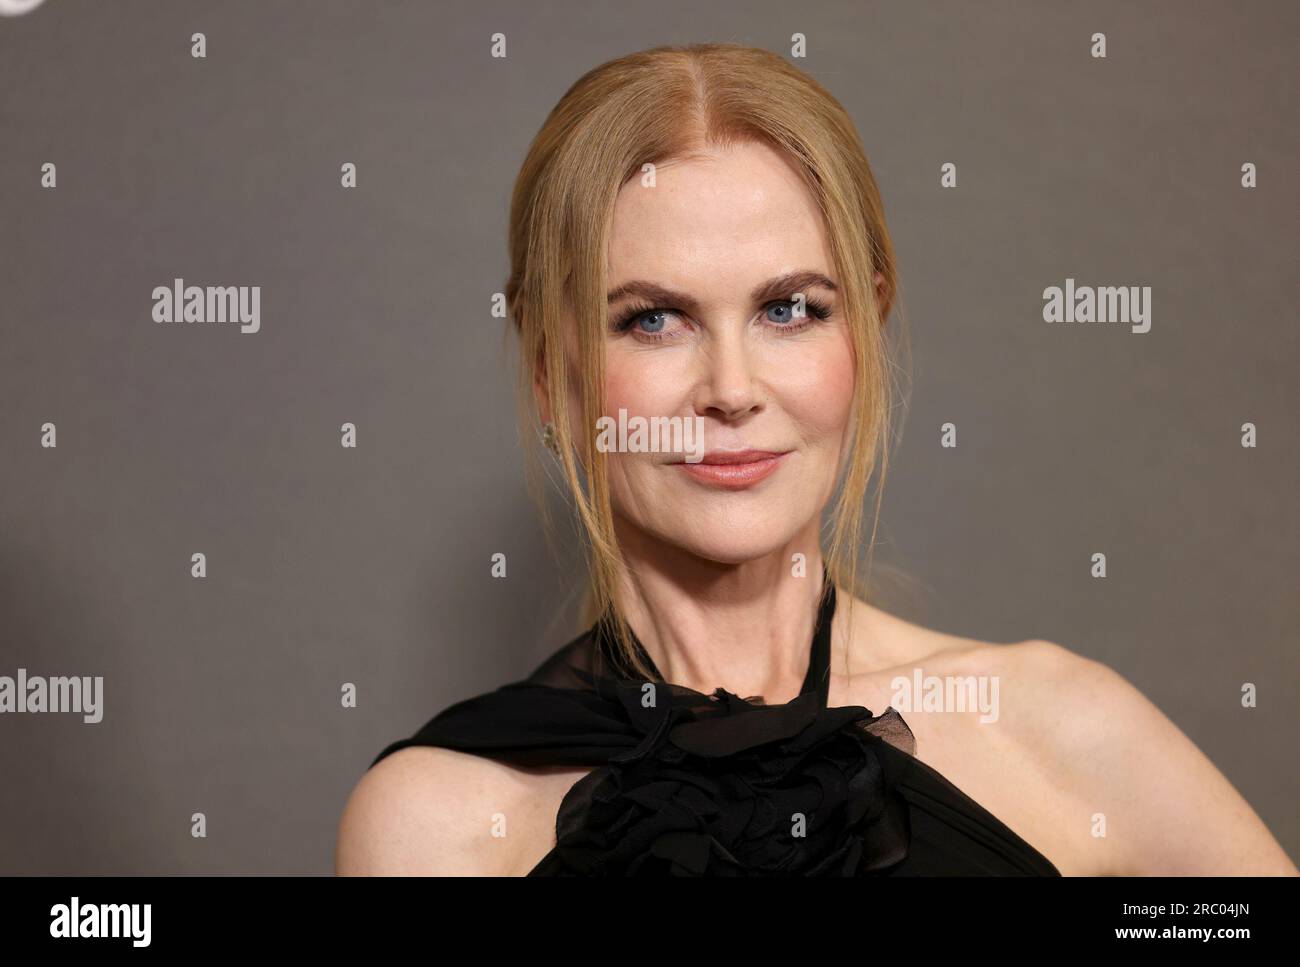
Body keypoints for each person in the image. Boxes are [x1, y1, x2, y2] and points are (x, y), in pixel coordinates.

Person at [336, 42, 1296, 876]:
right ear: (554, 374)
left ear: (864, 335)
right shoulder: (436, 822)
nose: (732, 387)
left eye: (788, 308)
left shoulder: (1060, 729)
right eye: (654, 319)